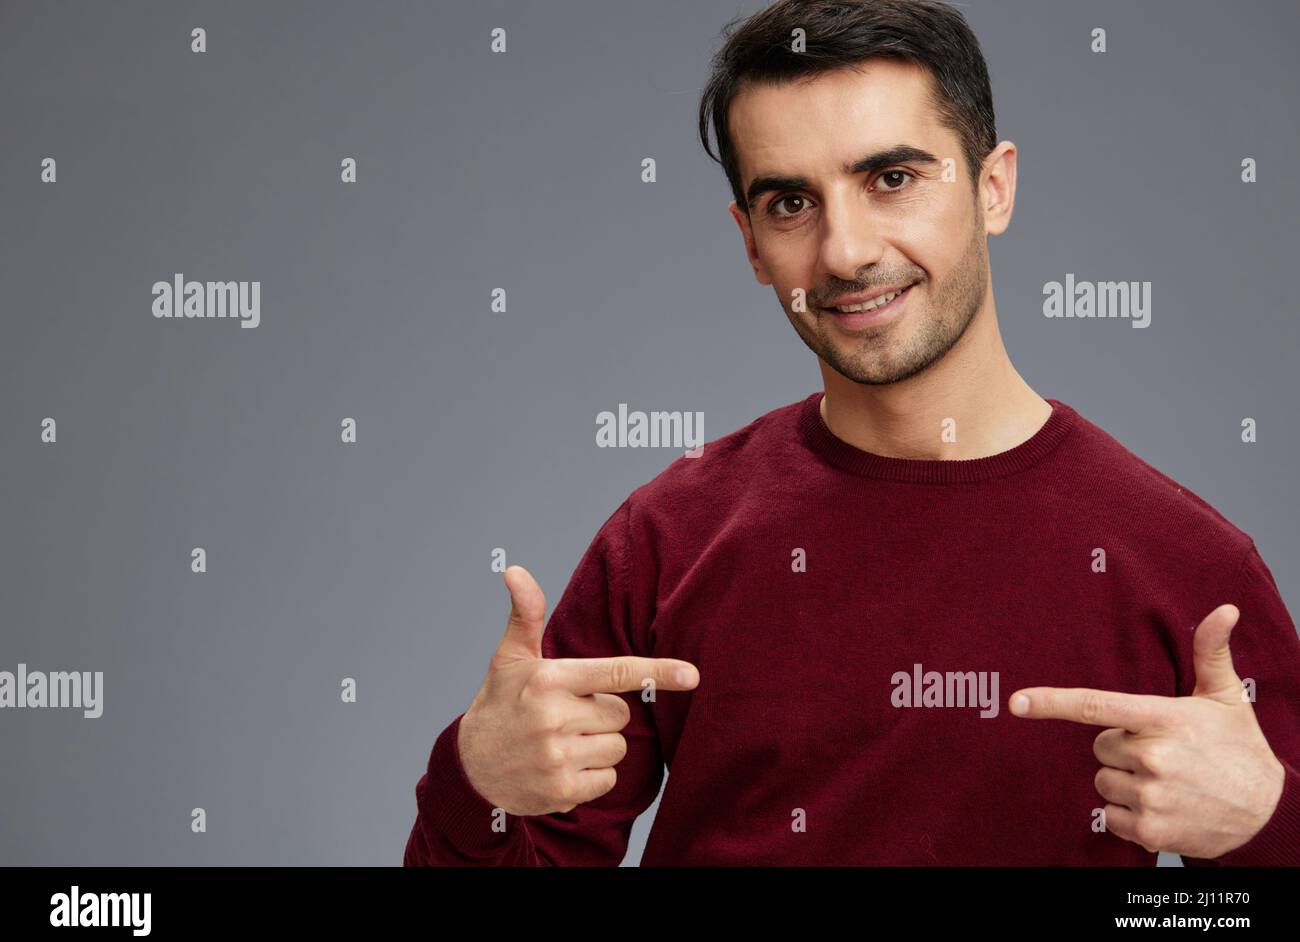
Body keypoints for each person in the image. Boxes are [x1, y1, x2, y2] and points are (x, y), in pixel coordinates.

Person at [404, 0, 1300, 865]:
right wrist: (475, 783)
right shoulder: (668, 540)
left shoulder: (1187, 566)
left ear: (994, 187)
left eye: (893, 179)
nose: (843, 251)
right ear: (751, 243)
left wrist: (1267, 826)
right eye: (791, 203)